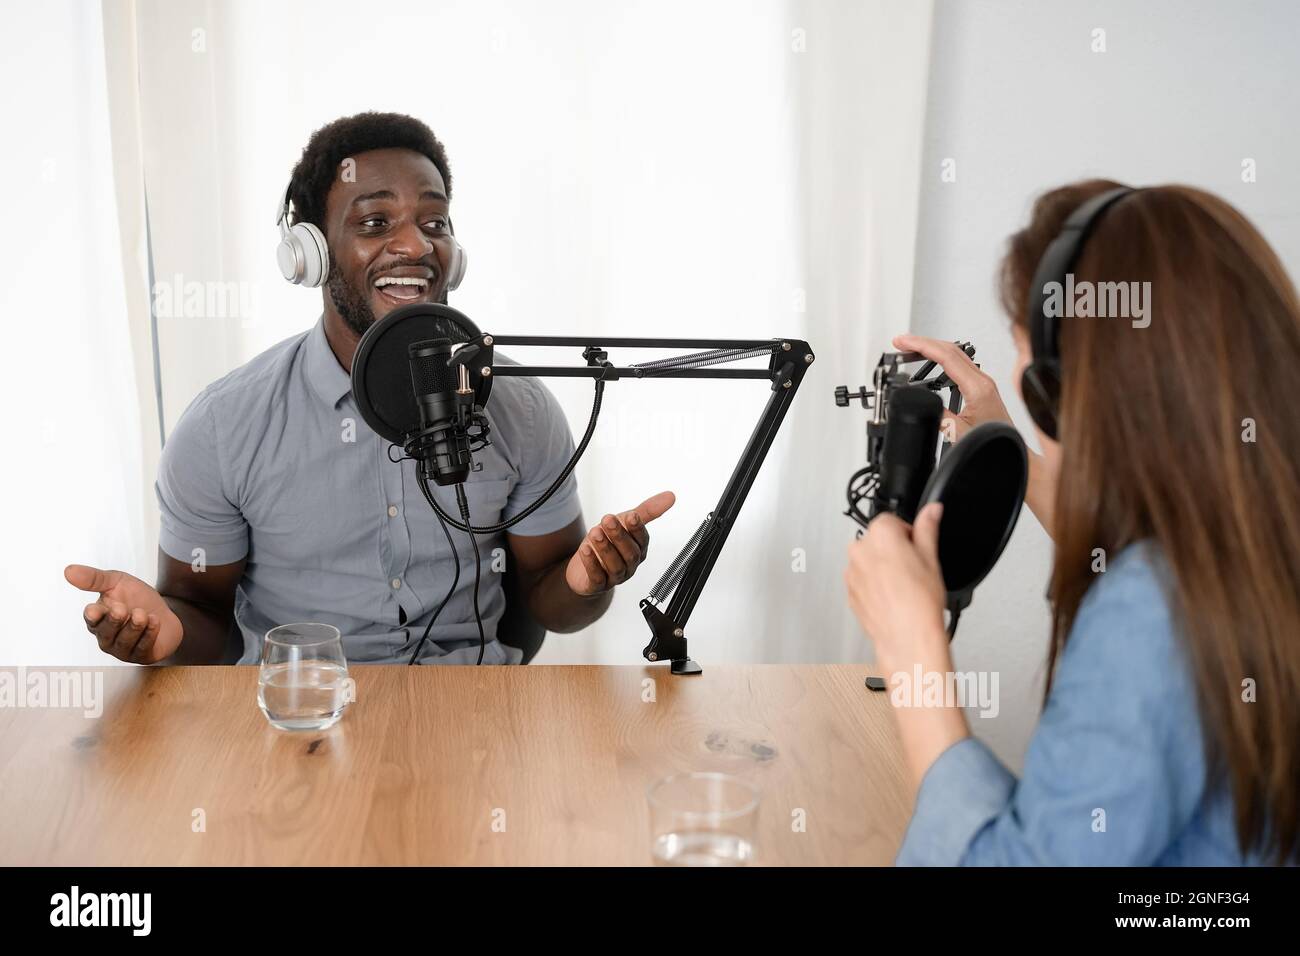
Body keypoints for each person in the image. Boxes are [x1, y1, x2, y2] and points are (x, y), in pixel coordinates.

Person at [65, 112, 674, 665]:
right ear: (311, 253)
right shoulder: (223, 428)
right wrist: (163, 629)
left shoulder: (522, 408)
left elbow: (553, 601)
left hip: (475, 717)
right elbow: (200, 616)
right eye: (375, 222)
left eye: (433, 222)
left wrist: (588, 582)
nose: (414, 245)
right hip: (300, 719)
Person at [845, 180, 1299, 865]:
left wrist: (912, 652)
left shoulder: (1148, 614)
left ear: (1068, 386)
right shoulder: (1255, 547)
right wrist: (1012, 450)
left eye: (1033, 368)